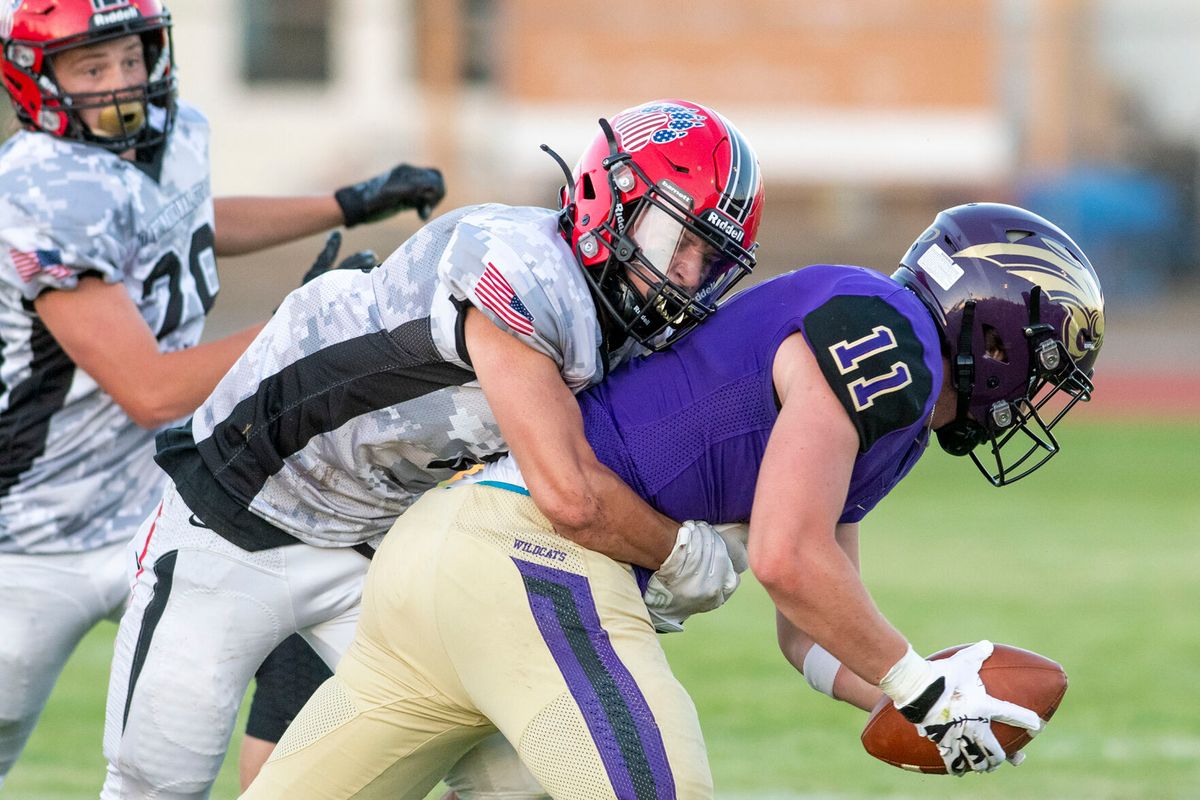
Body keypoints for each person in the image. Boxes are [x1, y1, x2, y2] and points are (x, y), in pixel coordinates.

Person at [240, 202, 1106, 798]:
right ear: (992, 328)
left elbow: (805, 619)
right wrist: (920, 681)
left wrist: (911, 701)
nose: (1037, 392)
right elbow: (784, 558)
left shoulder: (892, 404)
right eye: (1043, 357)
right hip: (533, 560)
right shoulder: (894, 343)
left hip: (447, 553)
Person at [100, 98, 765, 799]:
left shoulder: (628, 330)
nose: (687, 274)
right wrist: (679, 553)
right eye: (674, 238)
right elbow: (569, 494)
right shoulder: (518, 264)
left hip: (383, 550)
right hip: (238, 513)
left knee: (527, 776)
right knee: (155, 778)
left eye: (708, 255)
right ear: (609, 198)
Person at [0, 0, 443, 788]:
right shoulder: (41, 188)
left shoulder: (171, 138)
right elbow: (149, 389)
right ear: (35, 78)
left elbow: (184, 223)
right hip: (34, 532)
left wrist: (346, 201)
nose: (121, 83)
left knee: (316, 631)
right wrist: (296, 323)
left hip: (164, 492)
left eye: (131, 58)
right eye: (91, 68)